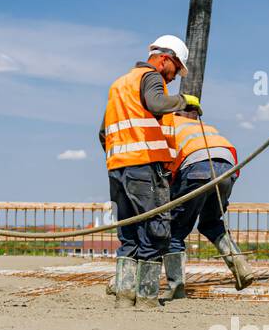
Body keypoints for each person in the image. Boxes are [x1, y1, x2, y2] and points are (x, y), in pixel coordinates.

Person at [100, 34, 198, 309]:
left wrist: (118, 158)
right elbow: (155, 104)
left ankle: (124, 298)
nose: (175, 76)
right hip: (144, 167)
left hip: (118, 169)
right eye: (177, 68)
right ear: (165, 59)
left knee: (128, 232)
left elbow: (102, 132)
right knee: (155, 229)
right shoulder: (150, 76)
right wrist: (184, 101)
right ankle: (146, 299)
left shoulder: (120, 84)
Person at [162, 109, 255, 299]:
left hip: (196, 167)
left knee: (174, 231)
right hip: (228, 168)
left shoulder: (167, 125)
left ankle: (176, 288)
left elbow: (165, 168)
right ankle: (241, 268)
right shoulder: (204, 126)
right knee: (211, 222)